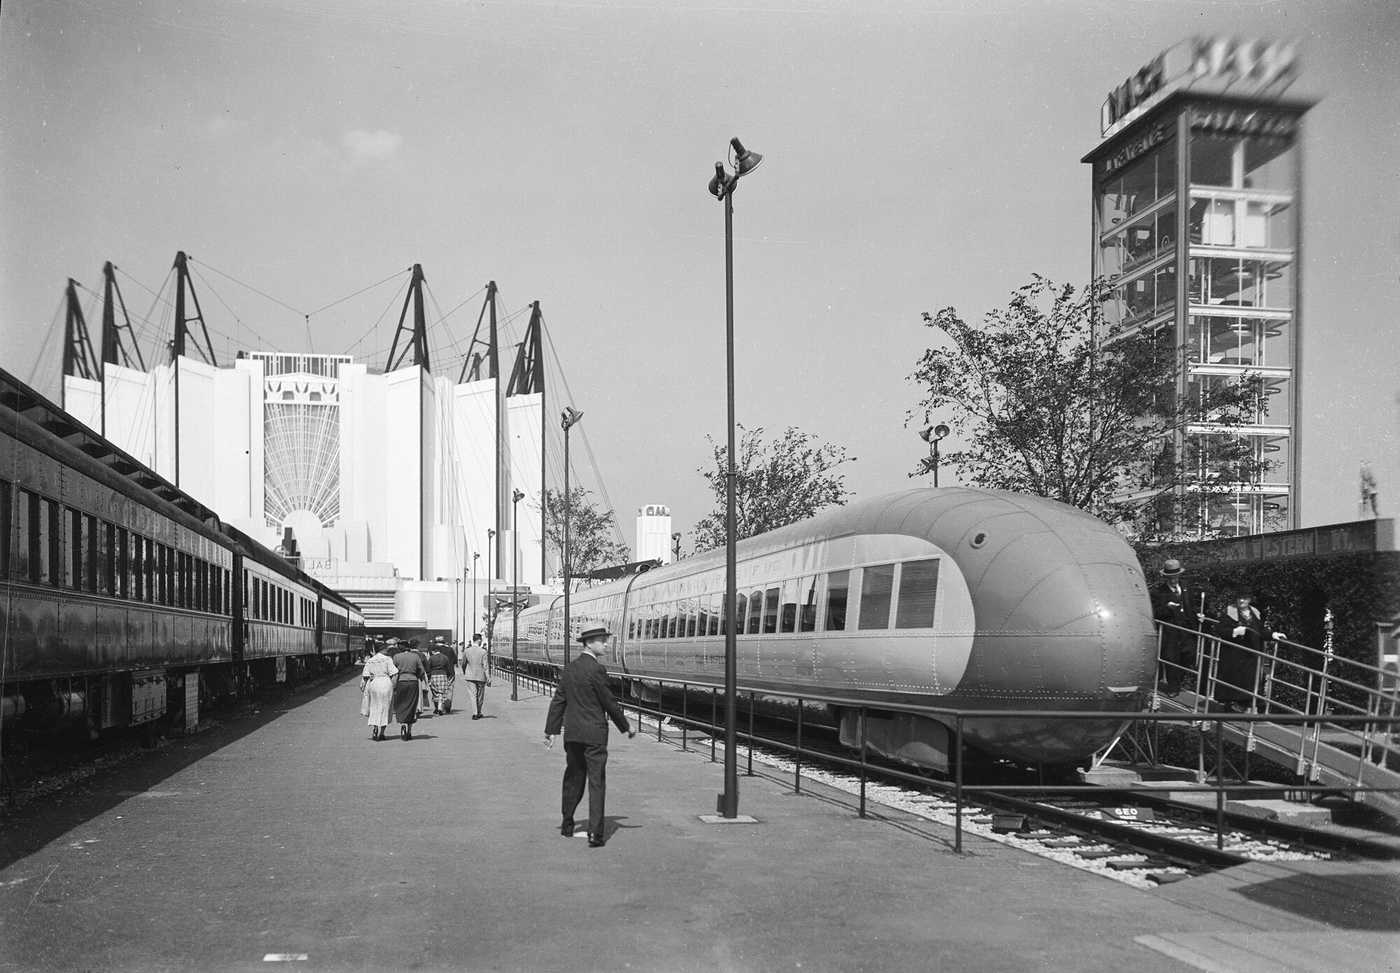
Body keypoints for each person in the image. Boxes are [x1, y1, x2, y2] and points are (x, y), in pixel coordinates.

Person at [544, 626, 635, 848]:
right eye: (602, 640)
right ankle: (595, 834)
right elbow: (609, 702)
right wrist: (626, 726)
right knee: (596, 782)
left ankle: (567, 825)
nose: (605, 644)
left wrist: (551, 731)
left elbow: (559, 700)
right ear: (589, 643)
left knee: (573, 779)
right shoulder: (597, 670)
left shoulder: (570, 669)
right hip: (594, 734)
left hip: (573, 734)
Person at [1215, 593, 1287, 713]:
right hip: (1233, 654)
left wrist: (1273, 634)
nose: (1241, 600)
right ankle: (1232, 705)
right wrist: (1234, 631)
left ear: (1249, 599)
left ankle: (1244, 705)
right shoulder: (1229, 612)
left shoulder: (1255, 612)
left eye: (1244, 598)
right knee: (1234, 680)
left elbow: (1260, 630)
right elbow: (1220, 630)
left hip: (1251, 655)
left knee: (1249, 680)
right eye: (1239, 598)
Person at [1150, 559, 1201, 696]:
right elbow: (1155, 613)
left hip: (1187, 630)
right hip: (1170, 632)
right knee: (1172, 659)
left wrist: (1199, 616)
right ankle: (1173, 687)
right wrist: (1168, 608)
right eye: (1170, 577)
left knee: (1189, 656)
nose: (1173, 580)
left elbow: (1192, 607)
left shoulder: (1186, 587)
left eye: (1175, 577)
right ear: (1166, 577)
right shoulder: (1158, 592)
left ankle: (1180, 681)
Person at [361, 640, 398, 741]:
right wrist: (394, 687)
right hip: (386, 683)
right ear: (383, 649)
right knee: (385, 708)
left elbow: (365, 676)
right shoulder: (388, 659)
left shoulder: (371, 660)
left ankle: (375, 728)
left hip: (374, 684)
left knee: (375, 707)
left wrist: (364, 687)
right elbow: (394, 674)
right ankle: (382, 733)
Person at [392, 638, 428, 739]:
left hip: (401, 682)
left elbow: (392, 671)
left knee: (401, 703)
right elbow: (421, 670)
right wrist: (417, 676)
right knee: (412, 705)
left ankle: (402, 724)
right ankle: (409, 730)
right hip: (413, 682)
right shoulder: (415, 656)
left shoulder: (396, 657)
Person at [462, 633, 491, 720]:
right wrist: (488, 678)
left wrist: (465, 672)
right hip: (481, 676)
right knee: (480, 695)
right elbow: (486, 666)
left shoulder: (467, 651)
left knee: (473, 695)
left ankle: (475, 713)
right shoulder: (483, 652)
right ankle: (479, 712)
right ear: (479, 640)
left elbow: (463, 663)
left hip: (470, 676)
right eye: (481, 640)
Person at [427, 637, 456, 715]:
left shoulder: (432, 650)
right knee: (448, 690)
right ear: (444, 641)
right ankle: (447, 706)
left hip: (434, 673)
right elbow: (455, 661)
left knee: (435, 690)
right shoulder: (450, 650)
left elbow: (429, 665)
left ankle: (437, 707)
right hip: (447, 673)